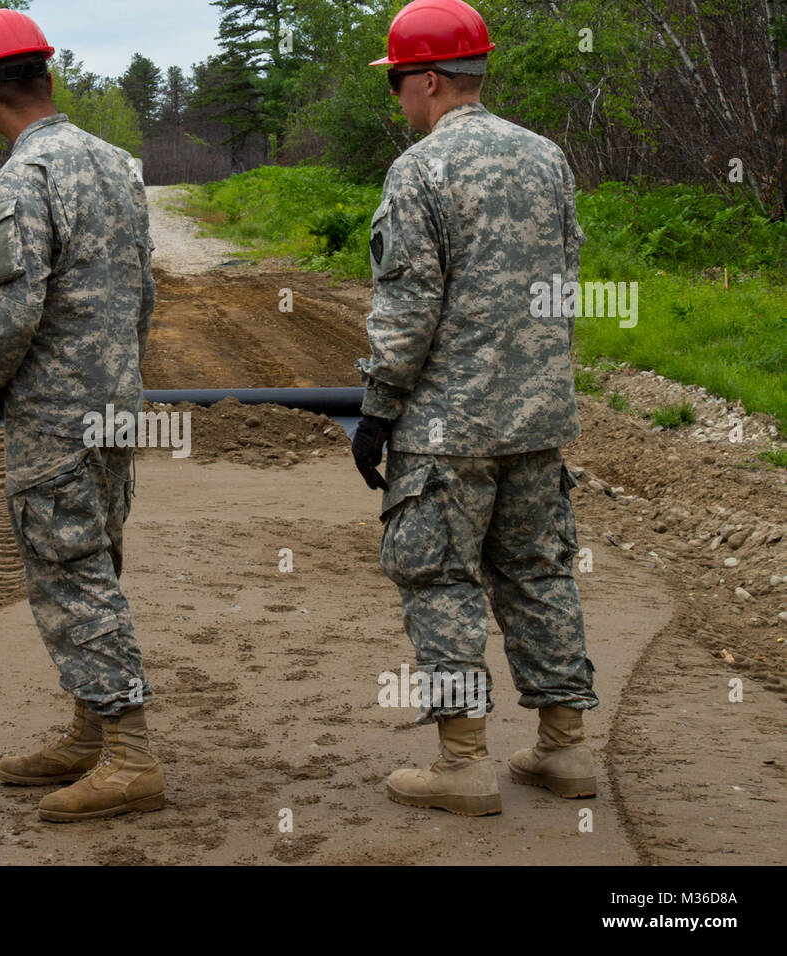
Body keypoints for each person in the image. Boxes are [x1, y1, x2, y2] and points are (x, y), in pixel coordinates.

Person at [353, 0, 598, 816]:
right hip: (537, 417)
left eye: (397, 84)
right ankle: (564, 752)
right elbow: (565, 280)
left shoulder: (420, 170)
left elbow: (408, 308)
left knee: (439, 579)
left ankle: (463, 762)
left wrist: (379, 408)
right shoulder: (548, 158)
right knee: (538, 572)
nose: (398, 100)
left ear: (427, 78)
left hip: (446, 428)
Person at [0, 9, 163, 822]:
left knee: (74, 578)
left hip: (54, 419)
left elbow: (10, 313)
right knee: (97, 562)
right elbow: (143, 292)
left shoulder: (24, 177)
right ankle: (90, 731)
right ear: (48, 77)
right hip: (114, 405)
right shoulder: (118, 163)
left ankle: (132, 755)